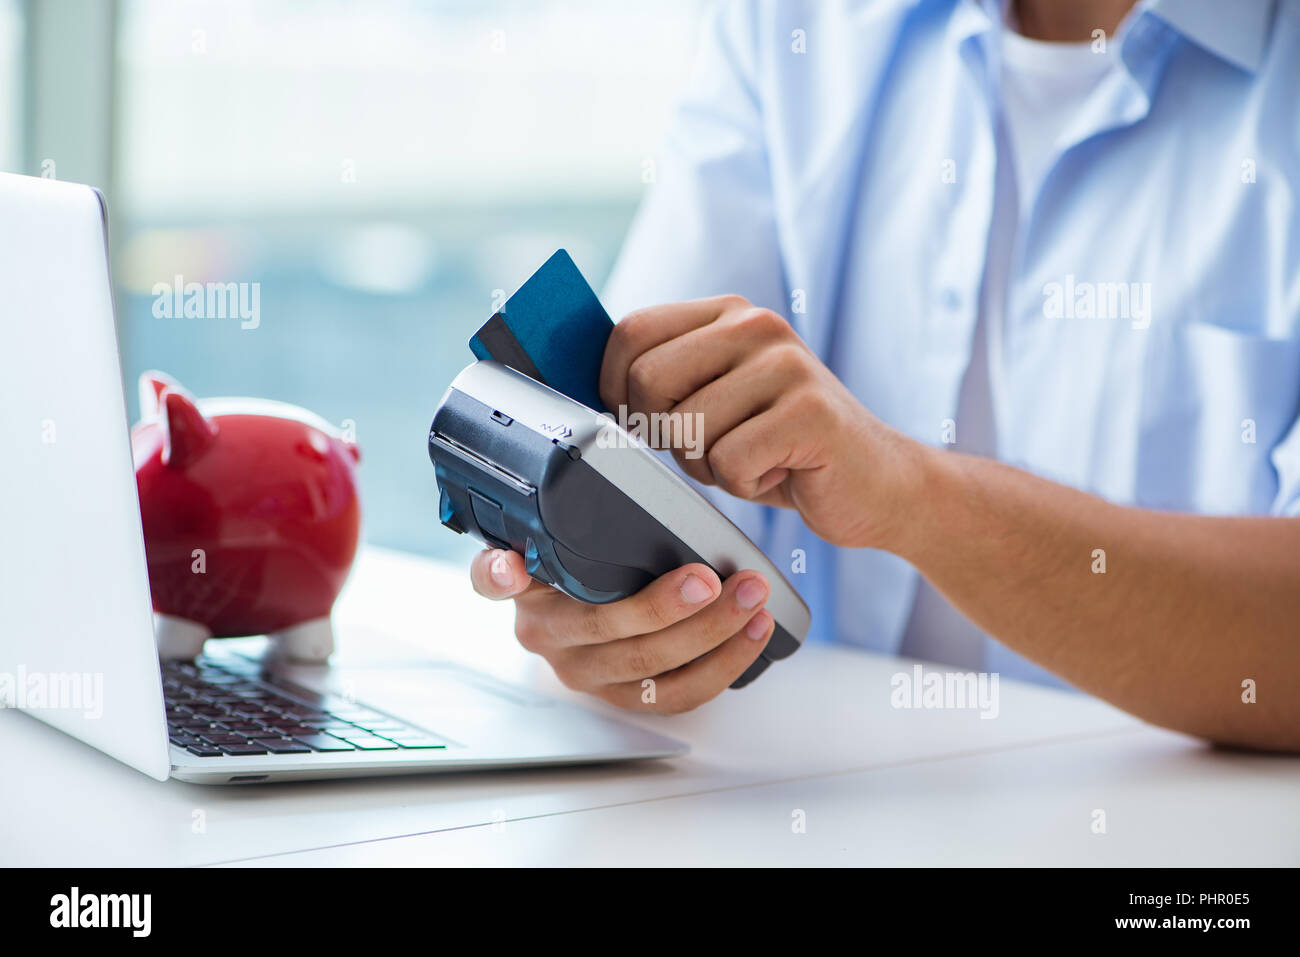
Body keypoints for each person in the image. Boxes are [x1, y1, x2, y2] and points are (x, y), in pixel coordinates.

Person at [469, 0, 1300, 751]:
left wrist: (910, 496)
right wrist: (608, 618)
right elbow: (640, 435)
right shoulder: (793, 26)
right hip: (808, 805)